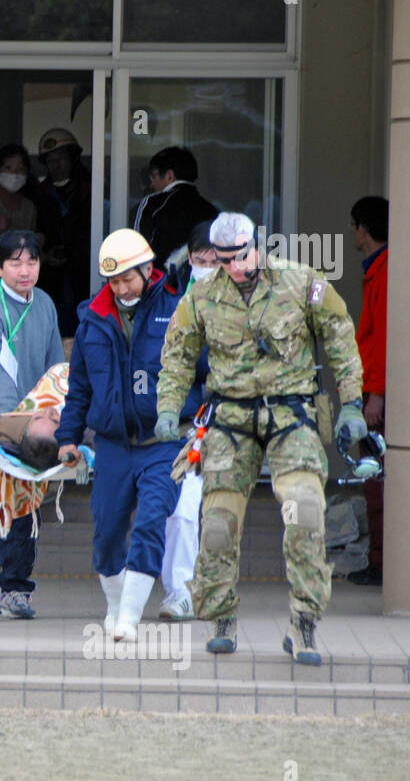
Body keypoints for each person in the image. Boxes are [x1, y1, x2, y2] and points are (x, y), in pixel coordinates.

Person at [156, 212, 366, 665]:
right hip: (230, 418)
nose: (234, 267)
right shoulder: (201, 297)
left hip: (291, 415)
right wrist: (168, 409)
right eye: (223, 260)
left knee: (305, 513)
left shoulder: (300, 281)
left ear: (258, 245)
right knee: (216, 524)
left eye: (241, 256)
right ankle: (221, 618)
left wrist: (351, 402)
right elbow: (177, 355)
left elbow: (340, 336)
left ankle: (304, 622)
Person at [55, 229, 207, 641]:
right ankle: (117, 604)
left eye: (128, 278)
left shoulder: (178, 309)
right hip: (113, 445)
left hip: (166, 441)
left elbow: (206, 374)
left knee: (153, 521)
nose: (121, 288)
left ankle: (130, 617)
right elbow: (80, 387)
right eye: (113, 281)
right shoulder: (91, 319)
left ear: (147, 269)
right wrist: (68, 437)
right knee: (106, 533)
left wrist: (205, 421)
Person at [0, 229, 65, 619]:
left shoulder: (45, 304)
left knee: (26, 507)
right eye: (16, 263)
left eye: (32, 262)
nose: (25, 271)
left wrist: (53, 414)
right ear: (0, 266)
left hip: (35, 422)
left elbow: (56, 365)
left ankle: (17, 587)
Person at [158, 220, 219, 615]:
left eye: (217, 259)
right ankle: (178, 588)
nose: (209, 266)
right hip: (172, 417)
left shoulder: (245, 294)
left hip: (217, 416)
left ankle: (188, 589)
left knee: (196, 507)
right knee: (176, 508)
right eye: (201, 258)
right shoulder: (166, 292)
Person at [348, 196, 388, 585]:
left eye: (354, 227)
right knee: (374, 476)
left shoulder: (386, 272)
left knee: (375, 478)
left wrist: (375, 394)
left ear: (365, 229)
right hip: (373, 389)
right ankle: (380, 561)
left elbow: (382, 340)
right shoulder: (379, 269)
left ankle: (381, 564)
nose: (353, 235)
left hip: (376, 395)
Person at [29, 128, 91, 336]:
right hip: (49, 277)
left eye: (61, 158)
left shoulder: (92, 190)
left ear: (73, 158)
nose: (56, 165)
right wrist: (46, 255)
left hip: (84, 274)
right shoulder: (38, 194)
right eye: (50, 160)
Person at [132, 146, 219, 269]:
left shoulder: (153, 203)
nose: (152, 183)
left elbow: (136, 248)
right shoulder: (210, 209)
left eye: (153, 176)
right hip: (200, 281)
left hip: (161, 282)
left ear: (169, 176)